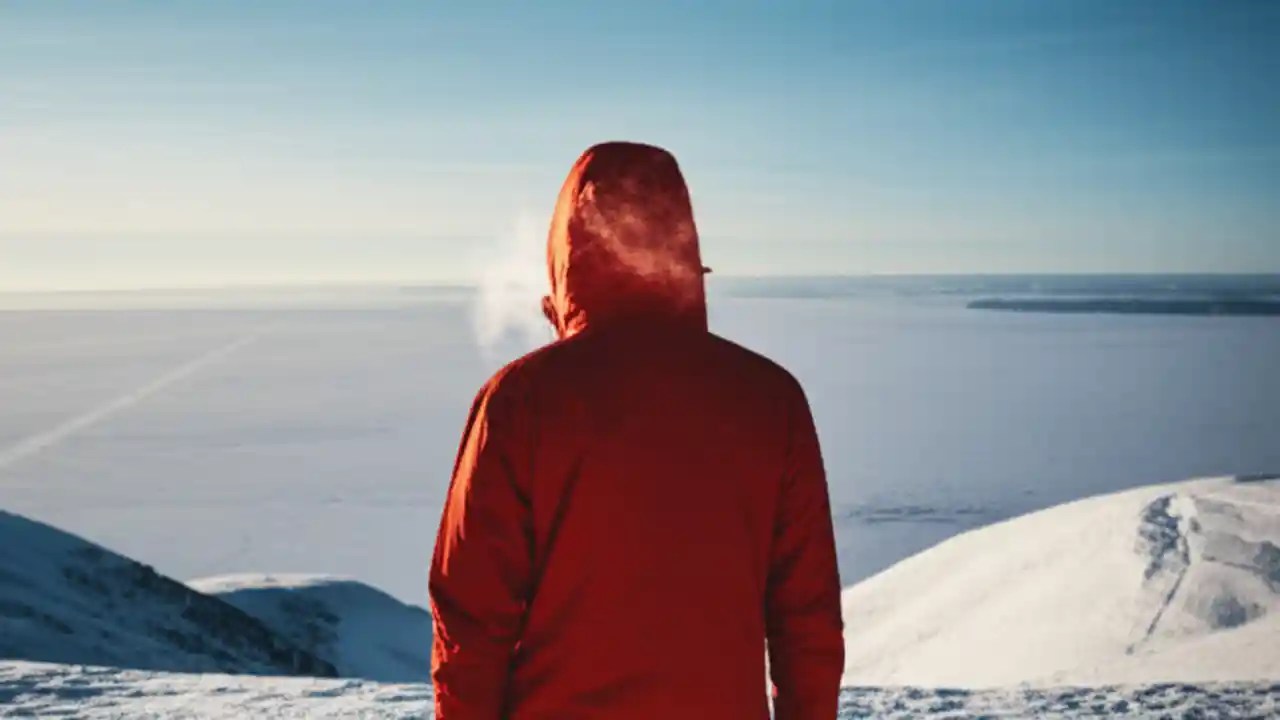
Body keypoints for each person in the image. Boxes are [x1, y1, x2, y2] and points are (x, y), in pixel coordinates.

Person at [430, 141, 843, 719]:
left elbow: (470, 624)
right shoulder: (771, 400)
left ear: (567, 252)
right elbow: (808, 622)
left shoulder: (521, 402)